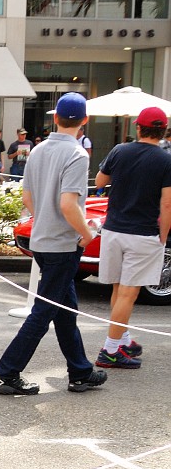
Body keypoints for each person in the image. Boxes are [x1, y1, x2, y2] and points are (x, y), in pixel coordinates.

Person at [0, 93, 106, 395]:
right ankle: (7, 372)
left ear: (55, 118)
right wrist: (88, 232)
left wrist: (44, 217)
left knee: (64, 308)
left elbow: (27, 197)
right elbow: (68, 203)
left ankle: (80, 371)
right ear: (84, 121)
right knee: (44, 312)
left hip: (42, 239)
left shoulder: (39, 149)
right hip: (63, 244)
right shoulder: (78, 155)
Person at [91, 104, 171, 369]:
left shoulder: (119, 150)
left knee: (117, 288)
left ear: (138, 127)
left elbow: (100, 182)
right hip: (143, 233)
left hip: (114, 229)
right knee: (128, 294)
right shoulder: (165, 160)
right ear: (163, 131)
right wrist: (163, 235)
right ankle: (110, 350)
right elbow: (167, 204)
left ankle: (122, 338)